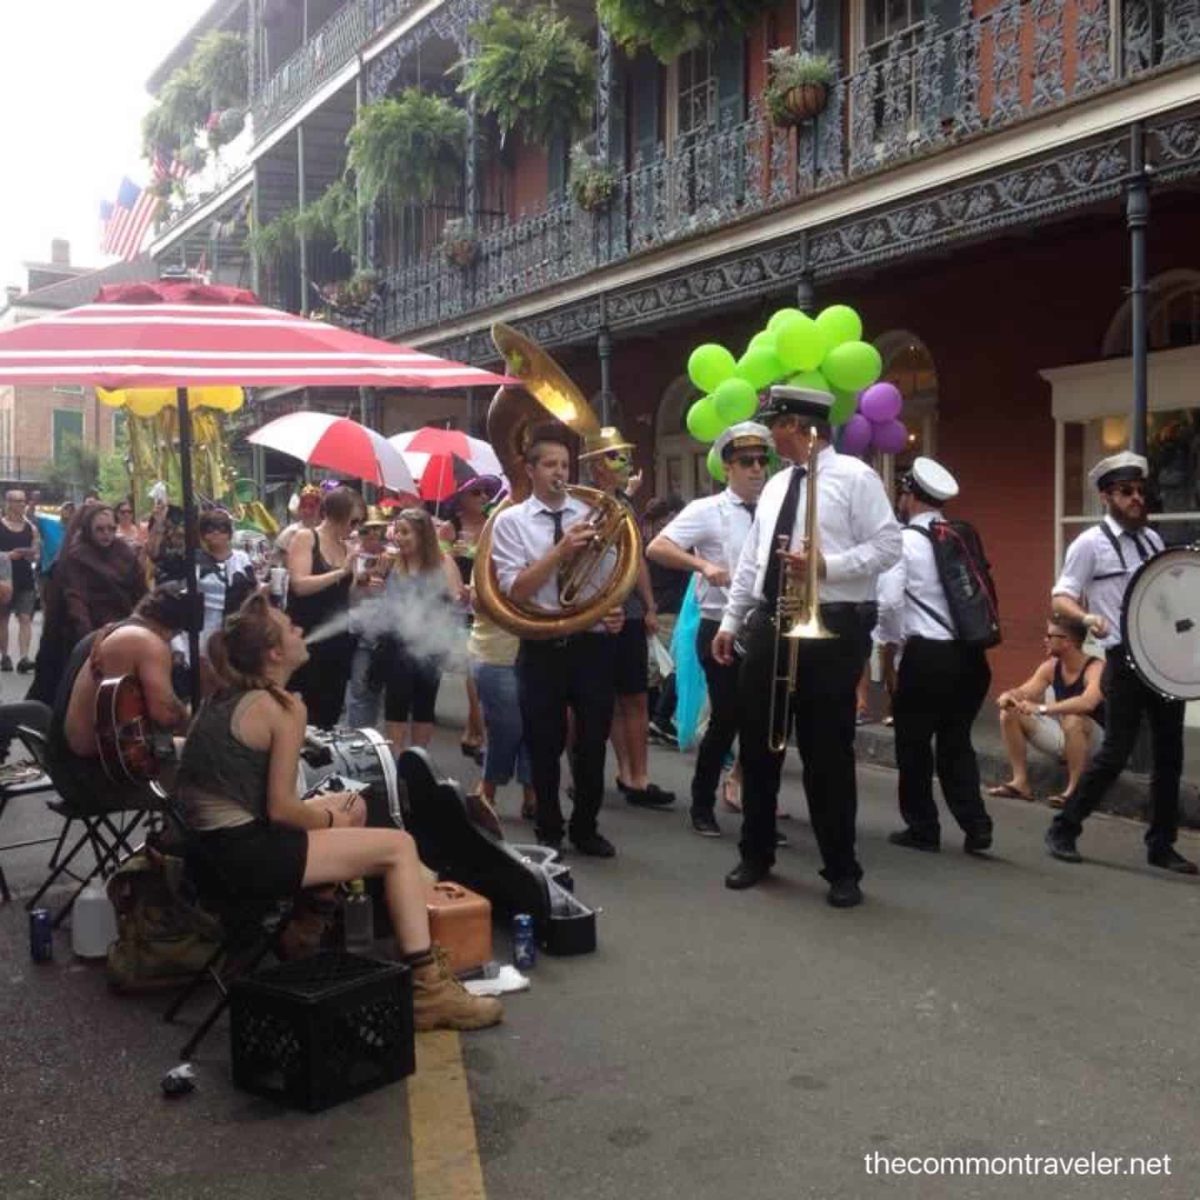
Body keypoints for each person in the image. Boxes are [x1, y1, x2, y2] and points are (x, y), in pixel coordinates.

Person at [176, 593, 502, 1031]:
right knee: (399, 847)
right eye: (290, 627)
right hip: (243, 858)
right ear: (274, 654)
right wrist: (330, 821)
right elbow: (282, 809)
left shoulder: (228, 695)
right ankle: (429, 989)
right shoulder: (281, 708)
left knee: (352, 803)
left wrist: (335, 814)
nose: (299, 629)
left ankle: (303, 930)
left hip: (206, 857)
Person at [713, 387, 902, 906]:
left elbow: (889, 546)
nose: (770, 436)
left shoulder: (856, 478)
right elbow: (753, 560)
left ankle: (842, 869)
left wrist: (826, 566)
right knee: (758, 743)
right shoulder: (777, 484)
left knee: (827, 753)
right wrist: (732, 619)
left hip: (832, 627)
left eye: (776, 425)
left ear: (799, 427)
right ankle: (755, 853)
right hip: (771, 621)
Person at [1045, 452, 1195, 873]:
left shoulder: (1151, 541)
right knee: (1115, 753)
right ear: (1105, 497)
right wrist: (1086, 618)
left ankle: (1161, 844)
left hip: (1162, 659)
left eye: (1140, 491)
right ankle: (1063, 827)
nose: (1136, 499)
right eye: (1126, 492)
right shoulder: (1089, 544)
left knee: (1170, 756)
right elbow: (1060, 596)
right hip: (1124, 660)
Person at [488, 427, 626, 856]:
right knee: (543, 740)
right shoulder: (510, 521)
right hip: (542, 644)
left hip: (592, 644)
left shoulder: (593, 513)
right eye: (550, 465)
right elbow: (516, 589)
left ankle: (586, 826)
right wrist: (561, 551)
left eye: (565, 465)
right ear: (530, 470)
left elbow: (608, 578)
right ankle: (549, 825)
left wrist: (613, 609)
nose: (560, 473)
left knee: (592, 741)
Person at [647, 422, 772, 836]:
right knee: (727, 717)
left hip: (764, 625)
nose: (757, 469)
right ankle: (702, 803)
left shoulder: (774, 507)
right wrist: (702, 565)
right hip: (720, 626)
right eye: (746, 462)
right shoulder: (708, 510)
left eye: (762, 461)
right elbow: (658, 547)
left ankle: (758, 808)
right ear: (727, 467)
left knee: (764, 722)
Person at [875, 458, 994, 854]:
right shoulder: (959, 537)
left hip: (926, 655)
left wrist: (889, 650)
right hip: (970, 655)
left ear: (909, 496)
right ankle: (977, 826)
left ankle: (923, 827)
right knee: (956, 742)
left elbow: (889, 603)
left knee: (913, 744)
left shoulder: (902, 541)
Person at [580, 428, 674, 809]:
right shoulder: (582, 504)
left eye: (626, 455)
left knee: (635, 695)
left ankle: (640, 777)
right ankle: (623, 772)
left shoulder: (626, 505)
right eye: (617, 456)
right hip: (594, 615)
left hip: (630, 613)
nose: (626, 463)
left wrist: (649, 605)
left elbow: (637, 562)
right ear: (597, 465)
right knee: (605, 701)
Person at [49, 584, 192, 811]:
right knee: (198, 754)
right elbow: (166, 715)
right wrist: (194, 715)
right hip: (98, 780)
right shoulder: (146, 642)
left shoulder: (106, 632)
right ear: (174, 630)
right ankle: (180, 831)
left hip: (66, 773)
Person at [988, 617, 1105, 807]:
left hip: (1095, 743)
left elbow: (1087, 703)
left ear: (1067, 641)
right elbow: (1025, 691)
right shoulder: (1050, 667)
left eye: (1050, 636)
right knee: (1009, 712)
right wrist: (1009, 695)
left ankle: (1075, 791)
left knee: (1073, 719)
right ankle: (1020, 782)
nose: (1045, 639)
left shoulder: (1096, 668)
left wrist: (1042, 708)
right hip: (1064, 736)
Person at [379, 507, 464, 751]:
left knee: (424, 706)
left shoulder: (443, 562)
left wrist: (456, 599)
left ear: (422, 535)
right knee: (395, 705)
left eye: (406, 532)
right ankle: (395, 762)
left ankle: (417, 760)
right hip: (396, 643)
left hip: (430, 644)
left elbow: (457, 601)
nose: (399, 537)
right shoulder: (392, 562)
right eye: (397, 531)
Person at [285, 486, 361, 728]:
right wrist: (341, 572)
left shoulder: (347, 548)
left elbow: (346, 596)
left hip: (337, 641)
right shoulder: (306, 537)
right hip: (306, 637)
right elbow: (299, 584)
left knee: (330, 712)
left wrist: (364, 583)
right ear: (338, 514)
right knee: (302, 713)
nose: (355, 528)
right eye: (354, 521)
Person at [445, 475, 503, 763]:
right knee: (473, 668)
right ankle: (481, 734)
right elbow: (441, 562)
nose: (483, 497)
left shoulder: (495, 525)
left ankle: (471, 732)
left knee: (483, 666)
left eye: (486, 493)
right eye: (476, 492)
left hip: (489, 604)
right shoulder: (449, 528)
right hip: (460, 606)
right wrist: (452, 556)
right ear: (461, 498)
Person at [467, 607, 536, 823]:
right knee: (507, 730)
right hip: (496, 656)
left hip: (539, 653)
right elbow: (479, 601)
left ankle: (532, 794)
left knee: (534, 727)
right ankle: (486, 791)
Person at [59, 503, 147, 647]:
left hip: (127, 627)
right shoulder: (77, 557)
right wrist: (88, 639)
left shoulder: (124, 552)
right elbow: (76, 600)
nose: (106, 533)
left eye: (111, 529)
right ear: (89, 530)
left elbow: (141, 590)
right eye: (100, 529)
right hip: (93, 630)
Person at [643, 494, 688, 744]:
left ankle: (654, 719)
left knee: (659, 667)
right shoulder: (666, 544)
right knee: (670, 667)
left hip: (662, 609)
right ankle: (658, 719)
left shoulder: (648, 539)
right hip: (668, 610)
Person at [344, 515, 393, 728]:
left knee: (378, 690)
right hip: (359, 631)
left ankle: (371, 734)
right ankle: (356, 734)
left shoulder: (393, 557)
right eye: (368, 532)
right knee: (359, 688)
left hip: (385, 631)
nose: (374, 538)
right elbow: (348, 593)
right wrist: (364, 577)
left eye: (379, 533)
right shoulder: (351, 555)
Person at [194, 509, 257, 654]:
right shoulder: (195, 559)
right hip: (205, 629)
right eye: (210, 528)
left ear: (229, 533)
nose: (216, 532)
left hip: (237, 628)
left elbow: (253, 589)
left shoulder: (242, 558)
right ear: (202, 534)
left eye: (222, 528)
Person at [0, 489, 40, 673]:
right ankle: (5, 656)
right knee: (3, 618)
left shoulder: (31, 528)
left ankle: (24, 658)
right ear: (8, 503)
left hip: (25, 577)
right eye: (17, 501)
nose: (22, 504)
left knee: (25, 618)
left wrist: (31, 554)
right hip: (4, 580)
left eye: (23, 501)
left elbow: (36, 553)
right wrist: (8, 555)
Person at [275, 485, 323, 559]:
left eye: (312, 506)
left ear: (320, 508)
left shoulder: (326, 531)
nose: (307, 510)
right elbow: (278, 559)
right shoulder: (290, 532)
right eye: (303, 506)